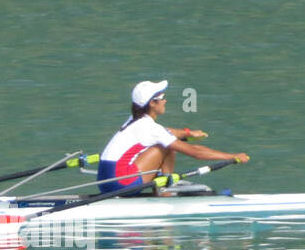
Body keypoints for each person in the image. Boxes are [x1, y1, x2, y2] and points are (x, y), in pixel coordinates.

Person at [96, 80, 249, 193]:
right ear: (152, 103)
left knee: (166, 141)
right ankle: (164, 192)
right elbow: (195, 152)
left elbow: (164, 131)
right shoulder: (151, 129)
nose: (165, 100)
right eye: (162, 97)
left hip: (104, 181)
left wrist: (188, 133)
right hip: (121, 184)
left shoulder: (133, 121)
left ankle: (162, 187)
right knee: (167, 146)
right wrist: (232, 156)